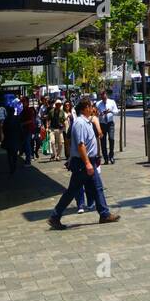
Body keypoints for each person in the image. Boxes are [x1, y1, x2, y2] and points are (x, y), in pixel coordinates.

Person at [48, 97, 120, 228]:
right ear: (85, 108)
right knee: (72, 191)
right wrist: (87, 163)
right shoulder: (80, 123)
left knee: (97, 187)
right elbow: (81, 145)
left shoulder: (86, 122)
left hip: (88, 161)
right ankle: (55, 216)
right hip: (83, 162)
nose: (93, 108)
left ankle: (104, 214)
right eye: (90, 106)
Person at [96, 89, 119, 164]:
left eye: (104, 95)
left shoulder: (112, 102)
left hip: (110, 123)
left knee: (111, 139)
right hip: (102, 124)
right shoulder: (98, 104)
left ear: (106, 94)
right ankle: (105, 158)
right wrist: (100, 114)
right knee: (103, 141)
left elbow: (116, 111)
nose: (103, 97)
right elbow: (95, 114)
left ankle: (111, 156)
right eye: (101, 95)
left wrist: (110, 111)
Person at [2, 103, 23, 177]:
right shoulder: (16, 119)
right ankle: (13, 166)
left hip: (8, 138)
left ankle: (11, 166)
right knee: (14, 154)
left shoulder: (6, 120)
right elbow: (20, 129)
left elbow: (4, 129)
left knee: (9, 154)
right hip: (15, 138)